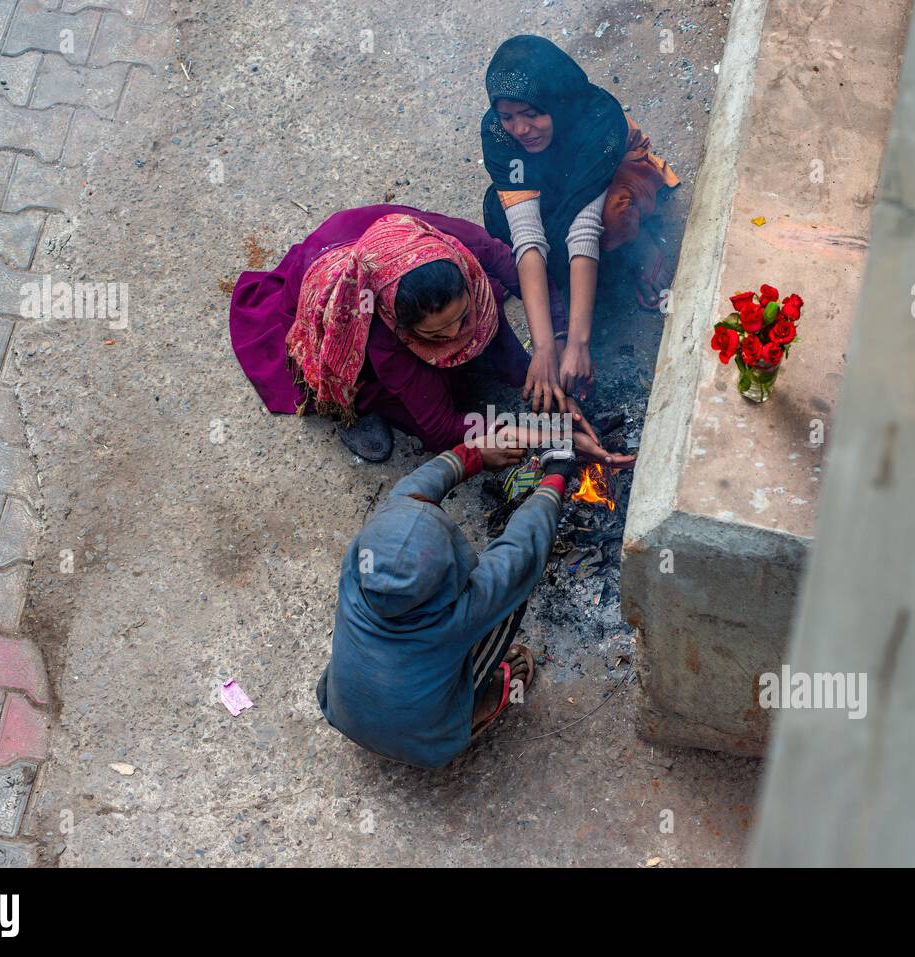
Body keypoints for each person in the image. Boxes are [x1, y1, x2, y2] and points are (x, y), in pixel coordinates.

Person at [316, 430, 580, 768]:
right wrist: (556, 476)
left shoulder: (358, 566)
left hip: (341, 711)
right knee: (508, 605)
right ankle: (476, 704)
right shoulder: (462, 613)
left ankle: (377, 709)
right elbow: (521, 552)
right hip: (426, 742)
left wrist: (474, 454)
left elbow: (409, 495)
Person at [230, 206, 540, 461]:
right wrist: (519, 431)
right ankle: (351, 410)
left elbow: (530, 277)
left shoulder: (463, 244)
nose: (457, 333)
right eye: (435, 333)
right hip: (330, 275)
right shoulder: (382, 336)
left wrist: (555, 347)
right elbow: (440, 427)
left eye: (461, 316)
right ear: (401, 325)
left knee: (496, 319)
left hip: (365, 233)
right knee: (428, 395)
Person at [480, 35, 682, 412]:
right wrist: (544, 346)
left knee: (613, 216)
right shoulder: (498, 134)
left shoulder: (596, 121)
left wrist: (578, 344)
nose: (520, 129)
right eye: (508, 117)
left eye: (532, 113)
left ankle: (641, 245)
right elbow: (527, 236)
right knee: (499, 214)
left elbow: (583, 229)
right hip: (555, 177)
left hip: (613, 167)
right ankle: (559, 299)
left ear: (558, 103)